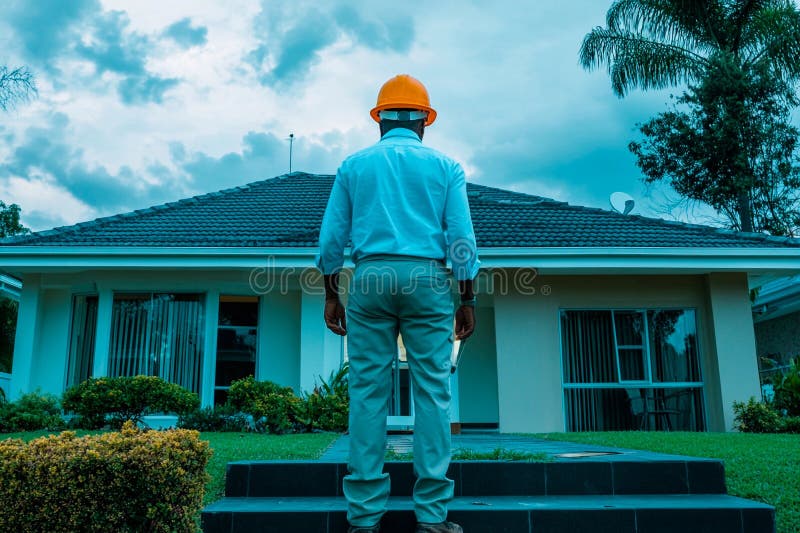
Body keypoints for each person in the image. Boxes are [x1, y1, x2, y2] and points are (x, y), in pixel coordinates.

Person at [316, 73, 480, 533]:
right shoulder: (446, 167)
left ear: (379, 121)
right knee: (432, 391)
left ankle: (364, 518)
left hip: (370, 277)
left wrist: (333, 293)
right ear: (425, 122)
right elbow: (462, 241)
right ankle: (431, 517)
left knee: (367, 391)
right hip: (428, 277)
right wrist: (467, 298)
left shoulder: (354, 166)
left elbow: (331, 242)